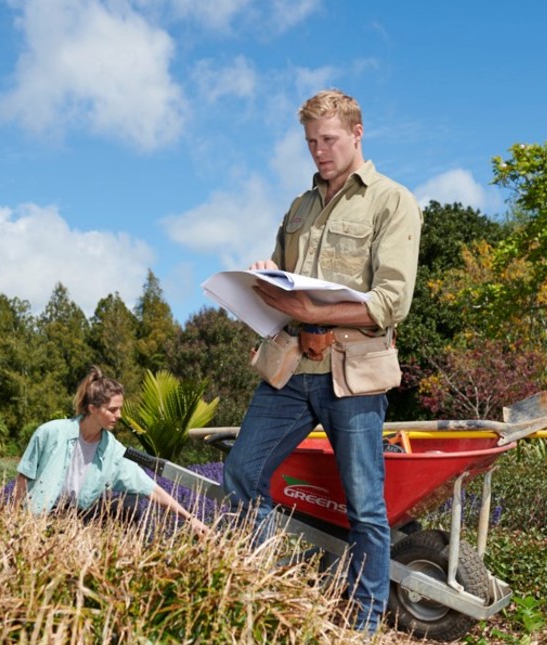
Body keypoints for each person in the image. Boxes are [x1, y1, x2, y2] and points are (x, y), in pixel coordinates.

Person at [222, 89, 422, 631]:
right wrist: (266, 272)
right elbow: (284, 284)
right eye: (311, 141)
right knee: (240, 474)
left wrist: (314, 309)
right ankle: (269, 589)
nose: (319, 151)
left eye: (329, 139)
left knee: (366, 511)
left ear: (357, 133)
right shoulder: (299, 207)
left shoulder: (392, 201)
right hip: (291, 372)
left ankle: (362, 626)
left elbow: (391, 303)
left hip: (353, 376)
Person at [12, 366, 208, 536]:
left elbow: (150, 488)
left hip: (77, 517)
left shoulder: (112, 450)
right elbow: (24, 475)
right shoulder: (51, 432)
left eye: (120, 409)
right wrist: (14, 520)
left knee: (129, 504)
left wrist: (190, 519)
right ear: (93, 408)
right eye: (113, 410)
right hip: (42, 513)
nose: (119, 415)